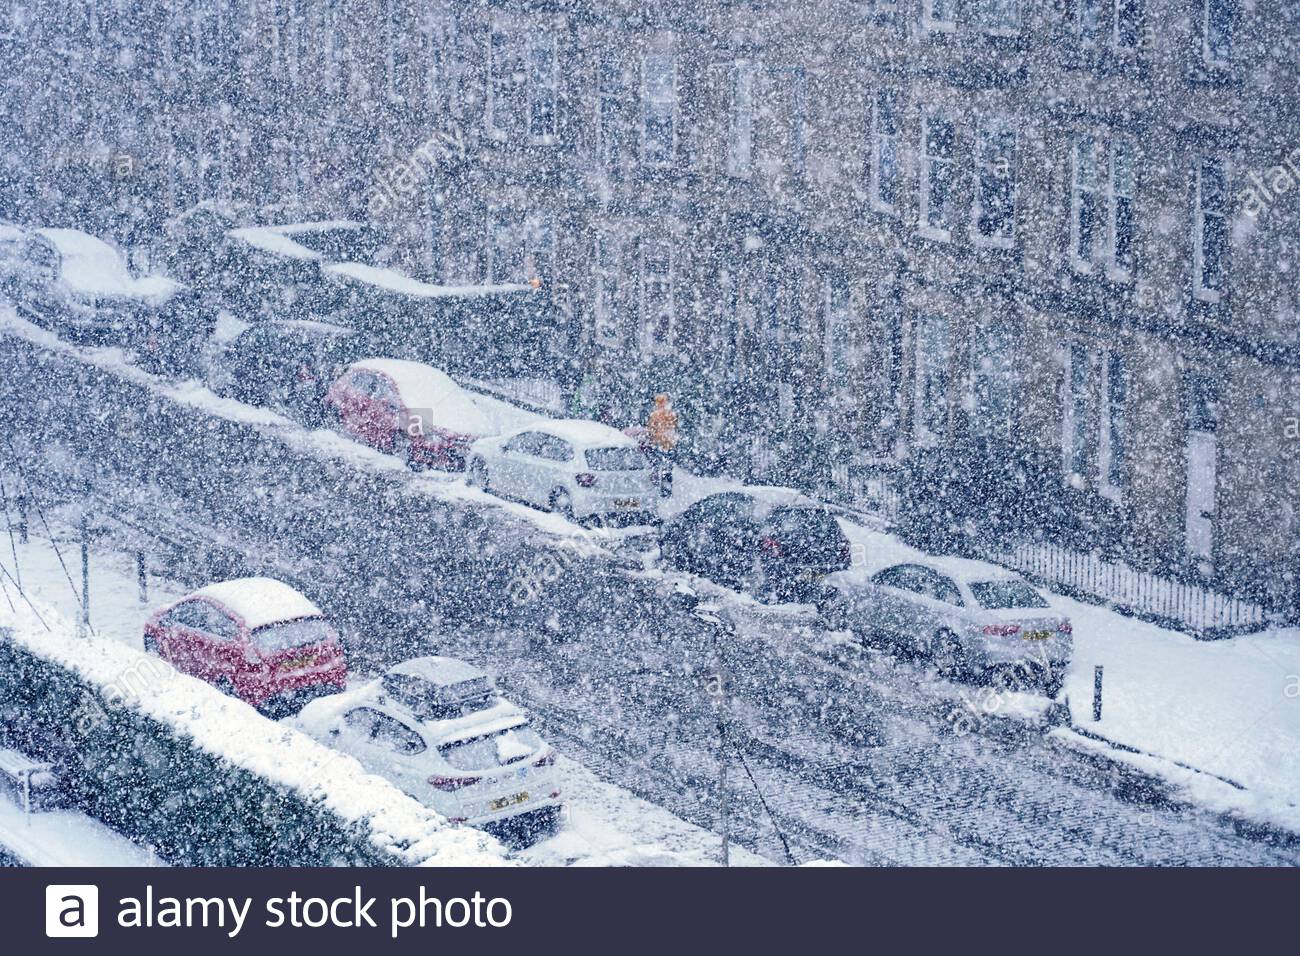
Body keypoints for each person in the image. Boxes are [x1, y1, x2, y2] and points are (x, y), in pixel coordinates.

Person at [646, 394, 680, 498]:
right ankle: (667, 491)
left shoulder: (654, 415)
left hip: (658, 445)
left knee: (657, 467)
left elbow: (651, 430)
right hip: (669, 445)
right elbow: (675, 426)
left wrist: (652, 439)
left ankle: (658, 488)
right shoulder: (671, 414)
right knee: (667, 469)